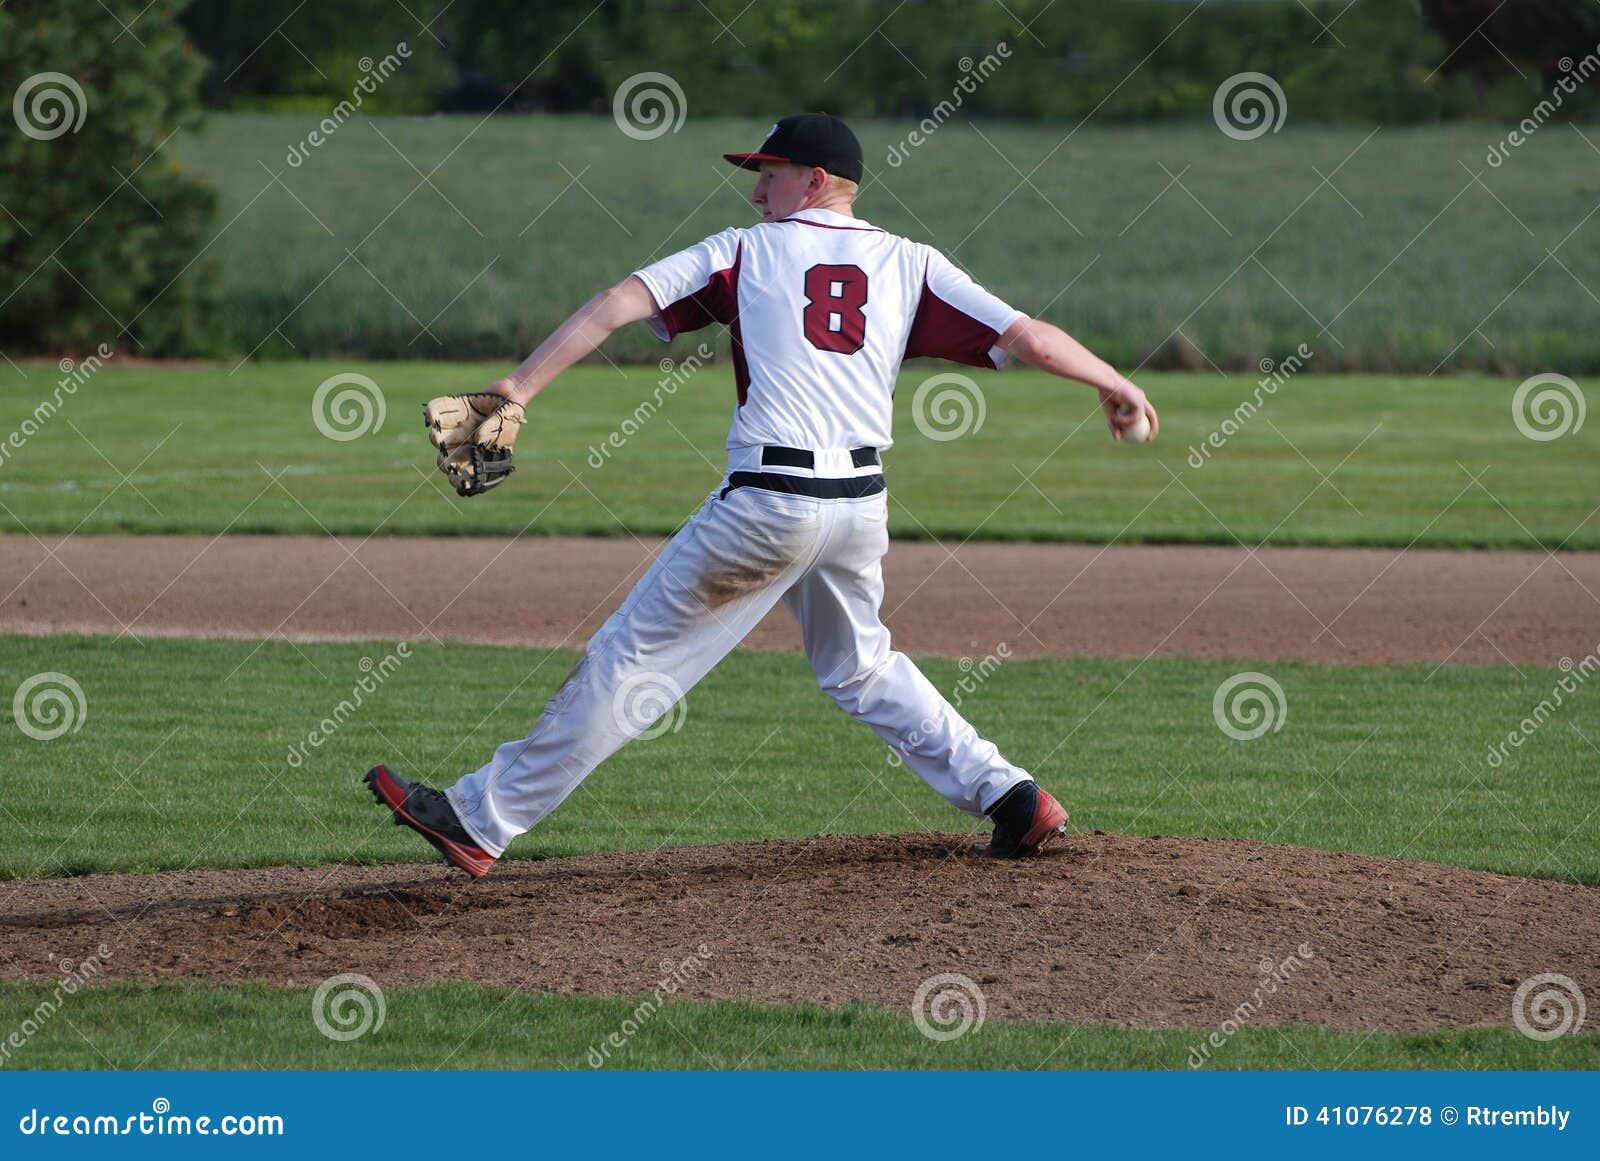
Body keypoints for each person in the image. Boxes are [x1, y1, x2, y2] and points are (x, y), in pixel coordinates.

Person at [367, 113, 1158, 877]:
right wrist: (1114, 380)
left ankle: (479, 818)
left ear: (815, 181)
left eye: (768, 176)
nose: (756, 195)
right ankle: (1013, 798)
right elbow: (1024, 335)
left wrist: (518, 384)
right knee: (860, 667)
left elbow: (619, 301)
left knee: (632, 661)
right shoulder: (913, 261)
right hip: (858, 507)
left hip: (768, 506)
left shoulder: (744, 251)